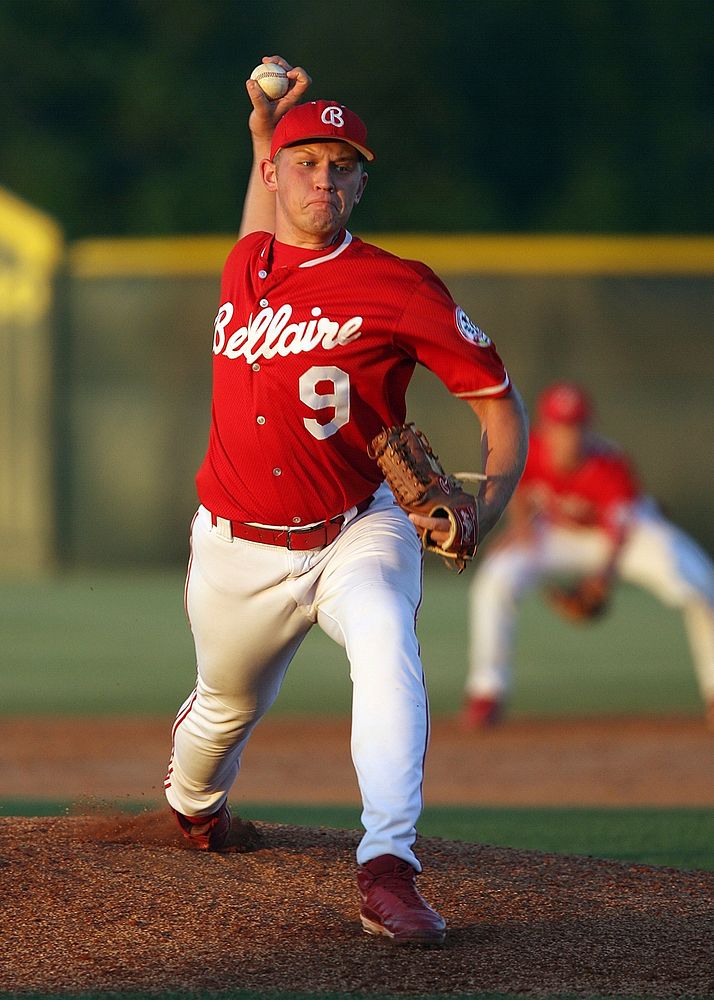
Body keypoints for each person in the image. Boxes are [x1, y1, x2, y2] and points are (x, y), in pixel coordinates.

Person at [163, 55, 528, 946]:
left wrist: (492, 500)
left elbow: (498, 407)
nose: (323, 177)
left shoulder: (399, 285)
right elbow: (262, 207)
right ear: (277, 173)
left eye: (343, 165)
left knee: (385, 646)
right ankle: (194, 807)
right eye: (307, 161)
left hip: (355, 530)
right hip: (234, 551)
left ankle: (388, 867)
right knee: (218, 718)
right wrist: (261, 129)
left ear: (362, 183)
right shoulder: (245, 263)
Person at [463, 381, 714, 730]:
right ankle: (486, 692)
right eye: (560, 426)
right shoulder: (530, 448)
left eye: (576, 426)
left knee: (699, 582)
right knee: (497, 576)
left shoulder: (608, 462)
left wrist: (602, 580)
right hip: (559, 533)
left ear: (588, 427)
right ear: (546, 426)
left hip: (625, 537)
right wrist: (520, 527)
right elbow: (521, 485)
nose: (568, 435)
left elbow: (619, 533)